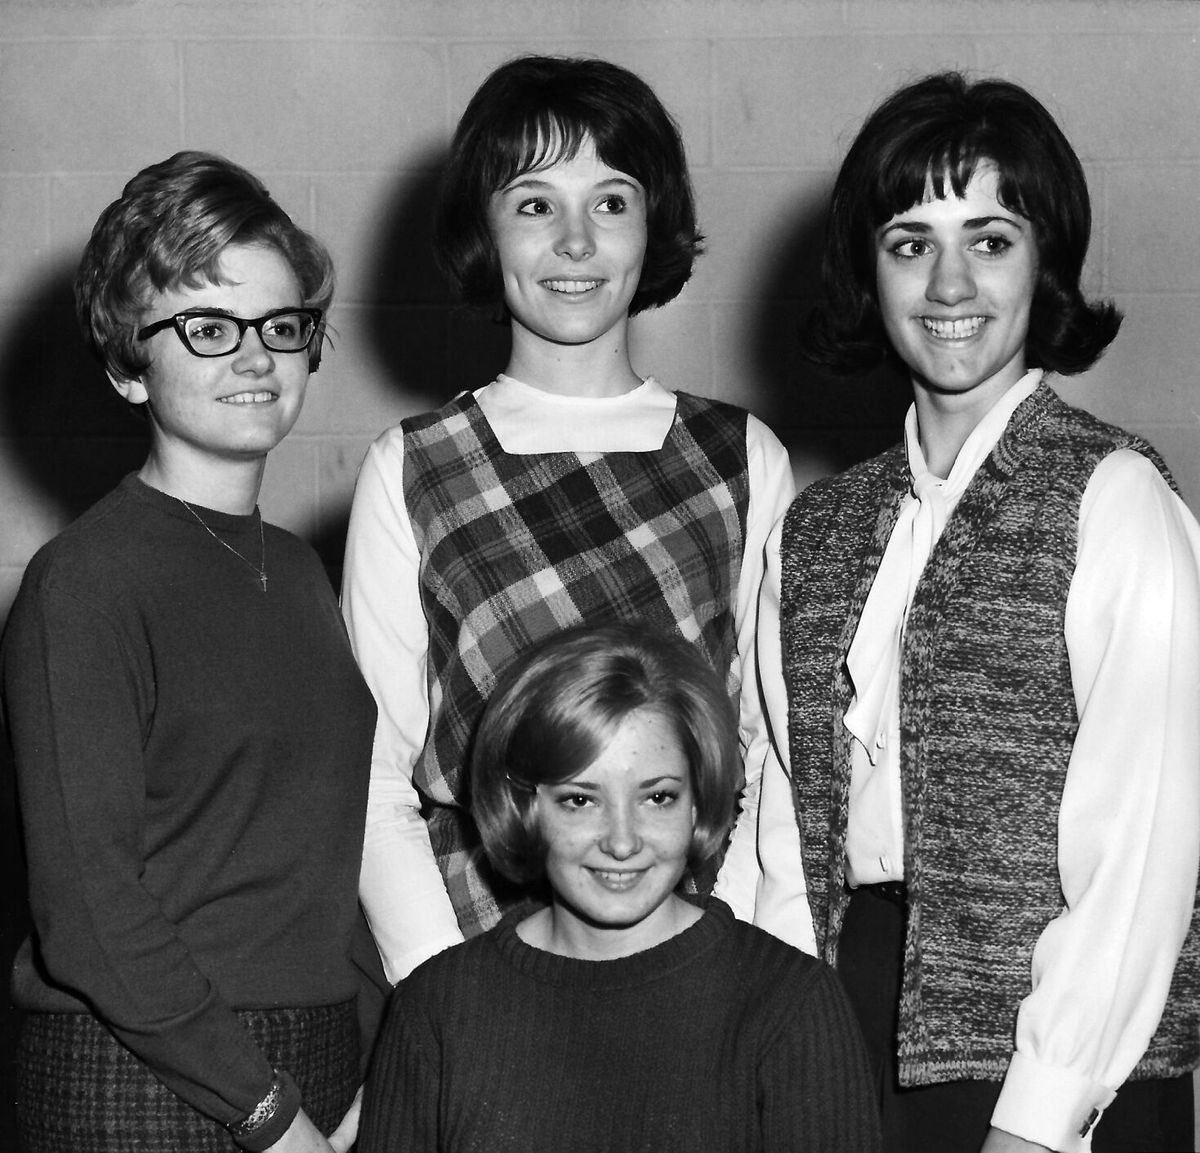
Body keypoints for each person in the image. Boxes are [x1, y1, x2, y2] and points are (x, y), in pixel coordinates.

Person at [737, 72, 1200, 1153]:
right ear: (870, 271)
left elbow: (1146, 851)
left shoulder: (1115, 498)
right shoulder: (817, 530)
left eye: (990, 239)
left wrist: (1041, 1116)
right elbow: (782, 833)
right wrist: (780, 1049)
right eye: (909, 242)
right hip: (848, 1027)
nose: (951, 282)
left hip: (1063, 1052)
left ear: (1046, 263)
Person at [341, 55, 794, 987]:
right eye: (537, 204)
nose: (577, 242)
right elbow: (374, 777)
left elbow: (772, 753)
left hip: (694, 950)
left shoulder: (741, 453)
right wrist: (446, 987)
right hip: (484, 947)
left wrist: (740, 956)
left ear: (651, 224)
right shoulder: (412, 464)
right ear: (486, 229)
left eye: (613, 202)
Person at [1, 152, 377, 1152]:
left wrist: (378, 1062)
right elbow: (88, 912)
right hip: (136, 1078)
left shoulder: (299, 569)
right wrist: (271, 1117)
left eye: (281, 327)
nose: (256, 357)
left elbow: (322, 860)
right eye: (208, 329)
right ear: (130, 366)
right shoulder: (83, 583)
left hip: (314, 1064)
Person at [356, 624, 880, 1153]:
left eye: (658, 798)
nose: (623, 842)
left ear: (698, 801)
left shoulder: (790, 1006)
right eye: (581, 800)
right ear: (525, 807)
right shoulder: (438, 1007)